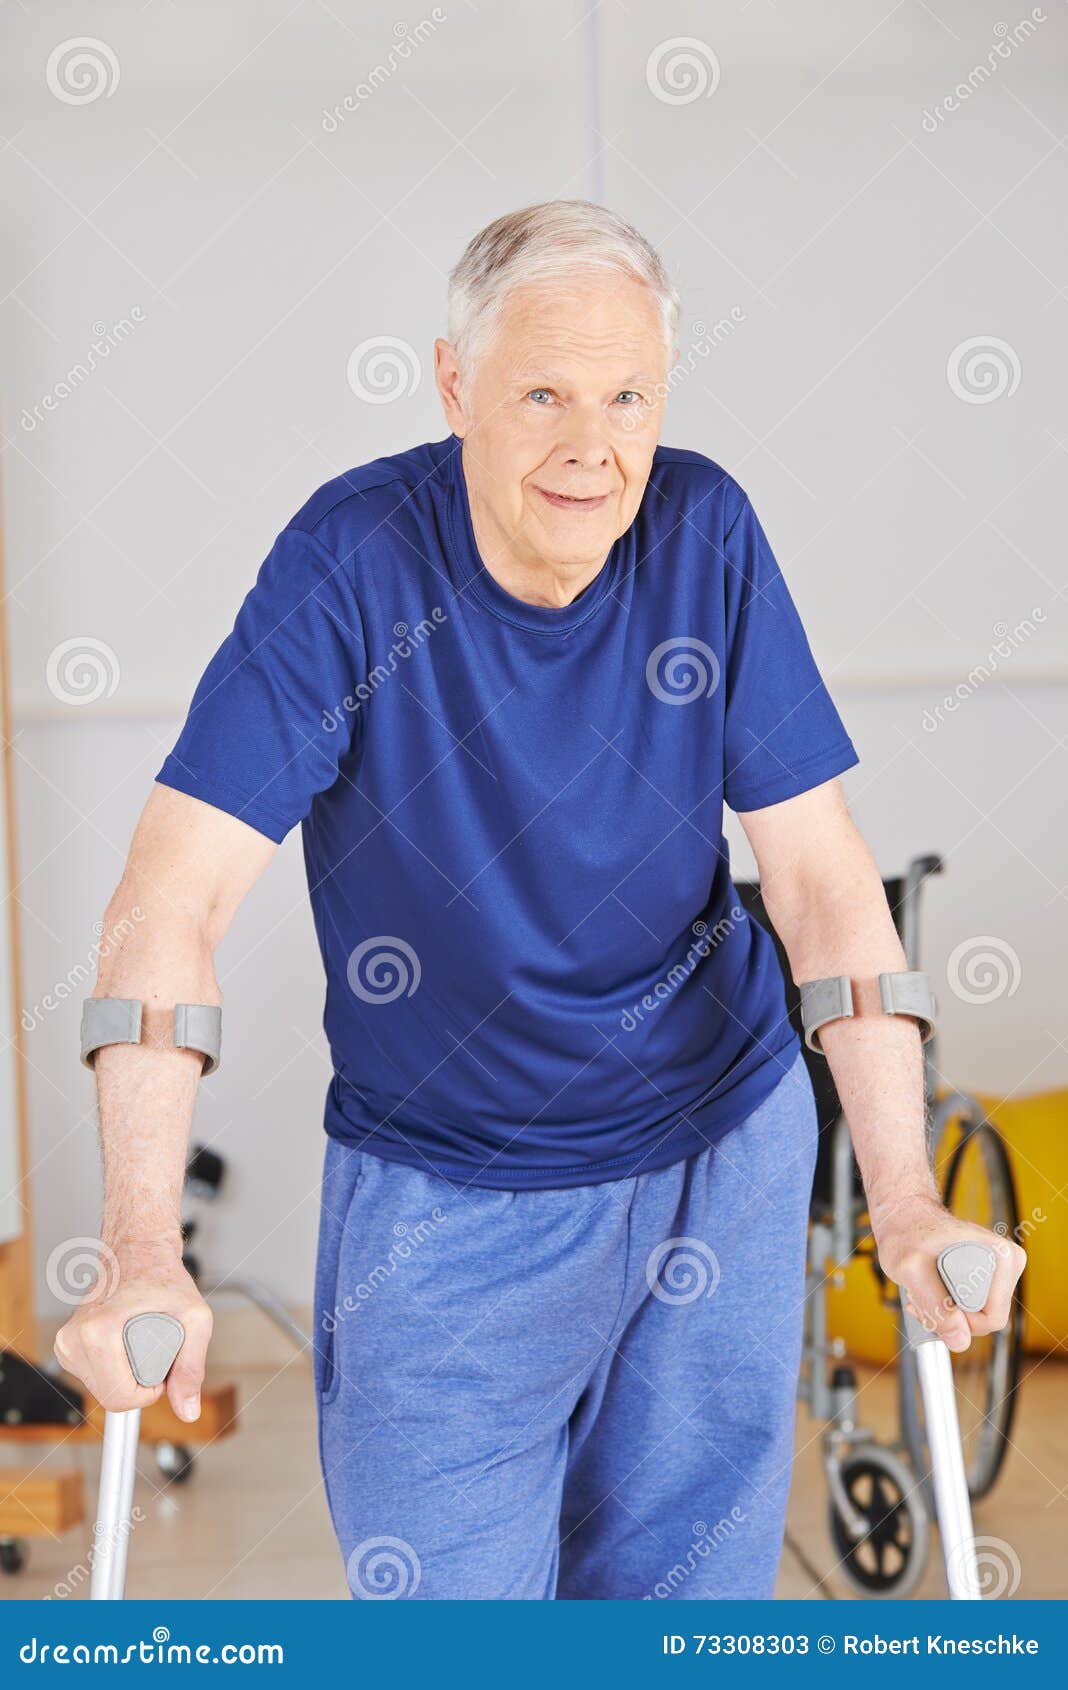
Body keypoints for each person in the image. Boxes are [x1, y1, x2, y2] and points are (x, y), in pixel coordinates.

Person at [56, 200, 1024, 1600]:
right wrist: (140, 1251)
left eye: (629, 394)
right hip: (450, 1198)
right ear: (455, 386)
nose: (594, 443)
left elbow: (818, 883)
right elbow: (168, 904)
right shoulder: (353, 564)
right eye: (545, 393)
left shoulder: (706, 532)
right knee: (459, 1641)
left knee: (681, 1629)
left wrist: (909, 1204)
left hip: (716, 1151)